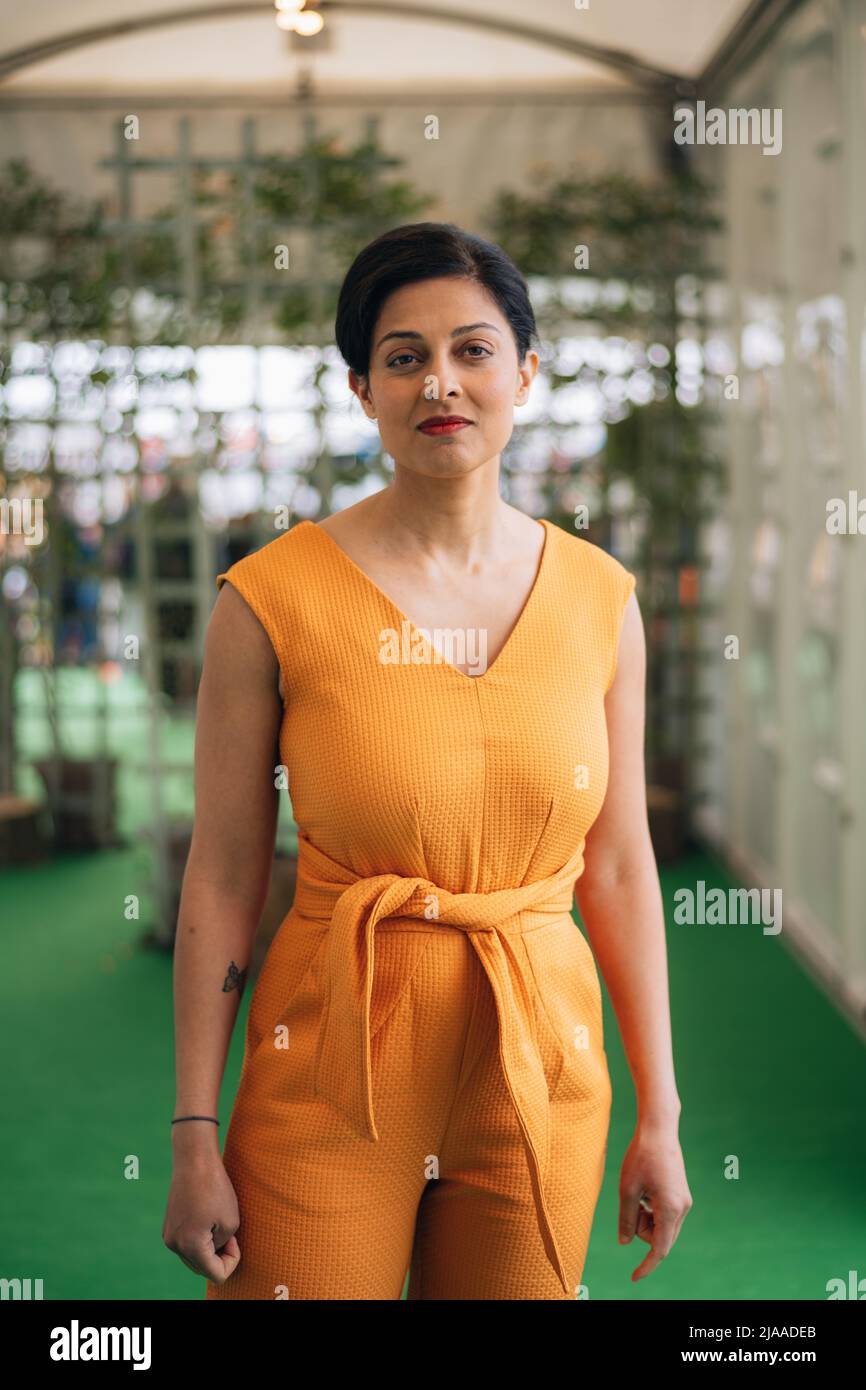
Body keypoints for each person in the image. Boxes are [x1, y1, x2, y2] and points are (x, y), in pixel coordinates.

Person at [162, 221, 691, 1299]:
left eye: (472, 349)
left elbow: (621, 866)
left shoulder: (599, 599)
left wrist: (663, 1116)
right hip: (326, 1068)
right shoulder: (269, 599)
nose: (438, 381)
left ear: (525, 372)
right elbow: (222, 871)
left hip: (541, 1066)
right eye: (401, 356)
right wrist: (190, 1135)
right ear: (362, 389)